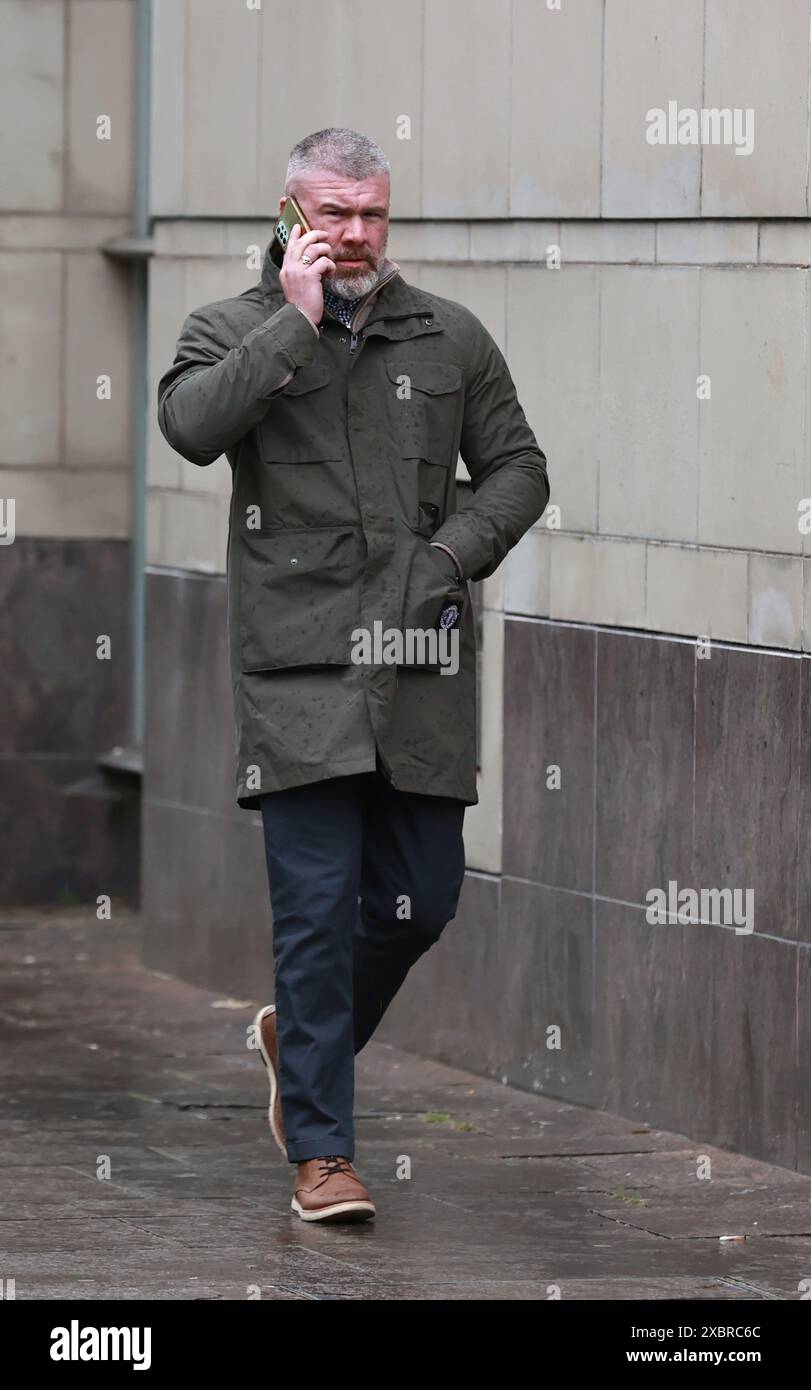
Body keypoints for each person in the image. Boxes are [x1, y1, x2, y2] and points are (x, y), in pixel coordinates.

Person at [157, 127, 550, 1223]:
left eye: (372, 213)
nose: (357, 234)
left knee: (421, 901)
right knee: (317, 915)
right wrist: (295, 320)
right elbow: (189, 426)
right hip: (296, 676)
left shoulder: (447, 338)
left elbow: (519, 468)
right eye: (333, 214)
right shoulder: (231, 330)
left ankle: (293, 1037)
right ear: (289, 216)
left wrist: (447, 556)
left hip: (418, 665)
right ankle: (322, 1154)